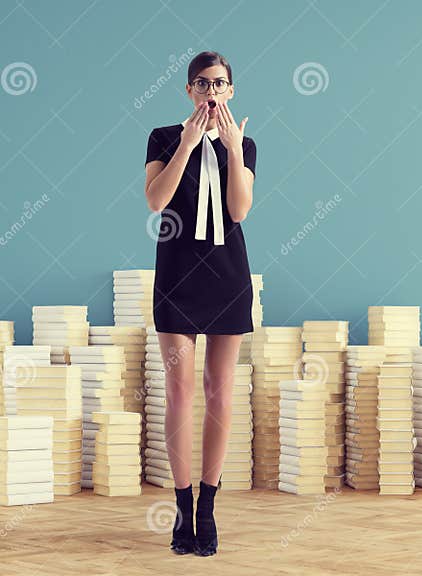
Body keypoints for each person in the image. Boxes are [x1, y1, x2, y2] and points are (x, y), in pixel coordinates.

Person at [144, 50, 256, 557]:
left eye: (220, 84)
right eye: (203, 84)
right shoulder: (164, 137)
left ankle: (207, 508)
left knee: (219, 393)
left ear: (231, 91)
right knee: (179, 391)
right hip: (177, 276)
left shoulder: (244, 144)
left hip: (227, 276)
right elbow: (156, 200)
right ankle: (181, 507)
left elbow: (239, 209)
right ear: (189, 90)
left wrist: (232, 150)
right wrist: (188, 145)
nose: (212, 92)